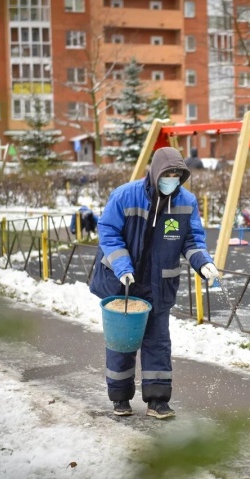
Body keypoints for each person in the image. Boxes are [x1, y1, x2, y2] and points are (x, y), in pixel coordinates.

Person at [89, 147, 219, 419]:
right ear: (155, 172)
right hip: (124, 282)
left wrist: (203, 262)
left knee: (158, 341)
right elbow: (109, 232)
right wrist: (122, 266)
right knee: (122, 342)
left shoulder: (186, 202)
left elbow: (192, 239)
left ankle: (158, 401)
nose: (171, 178)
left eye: (177, 174)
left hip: (159, 284)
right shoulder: (125, 195)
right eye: (167, 173)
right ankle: (120, 397)